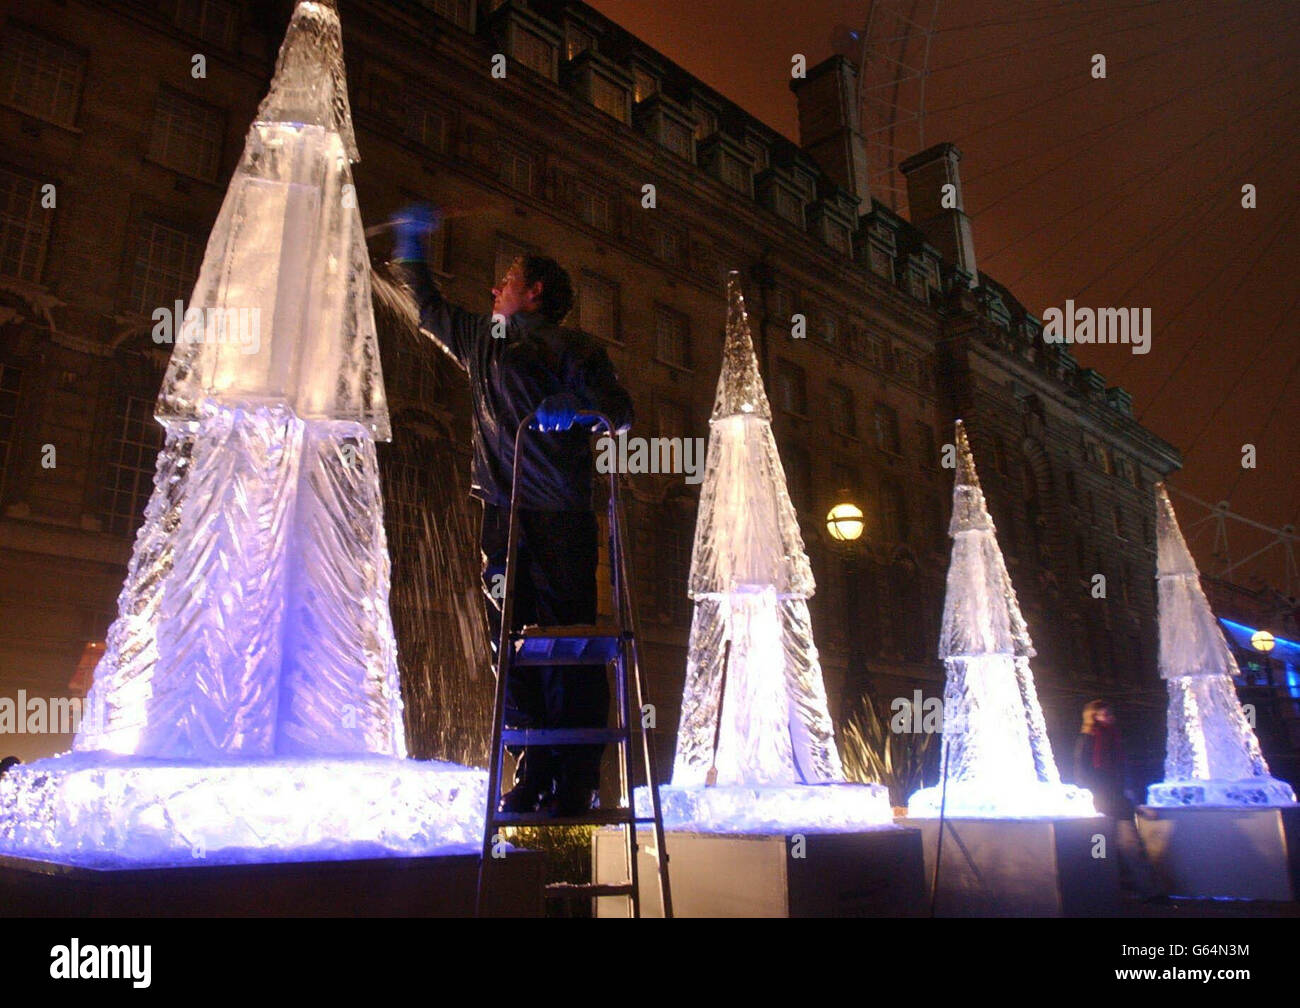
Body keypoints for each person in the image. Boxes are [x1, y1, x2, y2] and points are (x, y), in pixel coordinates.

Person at [389, 205, 634, 817]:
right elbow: (429, 311)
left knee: (566, 644)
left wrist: (572, 404)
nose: (494, 288)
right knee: (513, 641)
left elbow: (619, 410)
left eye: (507, 280)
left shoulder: (574, 347)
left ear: (535, 292)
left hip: (560, 517)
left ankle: (578, 776)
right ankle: (532, 767)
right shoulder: (486, 340)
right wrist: (412, 250)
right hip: (503, 514)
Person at [1073, 699, 1163, 902]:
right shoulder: (1088, 740)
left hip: (1117, 803)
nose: (1109, 717)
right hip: (1101, 803)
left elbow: (1122, 774)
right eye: (1104, 714)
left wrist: (1130, 799)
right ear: (1093, 717)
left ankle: (1147, 891)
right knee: (1104, 850)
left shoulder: (1113, 739)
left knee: (1128, 848)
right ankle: (1108, 891)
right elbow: (1082, 774)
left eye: (1109, 713)